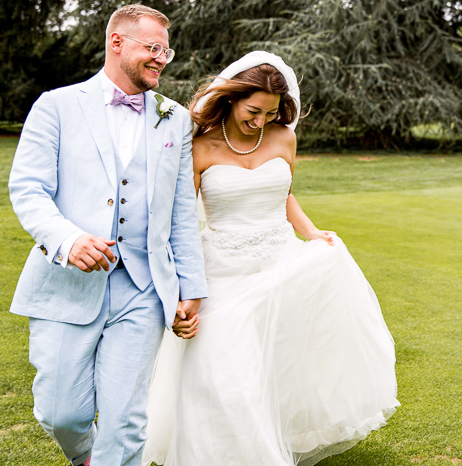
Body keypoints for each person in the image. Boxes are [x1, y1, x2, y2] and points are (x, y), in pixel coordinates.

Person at [142, 51, 399, 466]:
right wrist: (180, 285)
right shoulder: (200, 147)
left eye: (272, 112)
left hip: (281, 259)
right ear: (231, 99)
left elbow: (282, 194)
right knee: (220, 362)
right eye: (253, 110)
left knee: (282, 360)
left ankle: (274, 439)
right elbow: (182, 220)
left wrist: (311, 232)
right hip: (223, 268)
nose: (260, 121)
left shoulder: (284, 138)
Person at [8, 4, 208, 466]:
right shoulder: (56, 105)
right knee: (62, 413)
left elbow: (181, 212)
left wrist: (190, 288)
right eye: (152, 48)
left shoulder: (174, 118)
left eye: (166, 50)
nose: (161, 58)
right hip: (66, 284)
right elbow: (28, 188)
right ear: (117, 43)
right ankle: (87, 458)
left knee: (125, 421)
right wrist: (67, 240)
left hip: (143, 289)